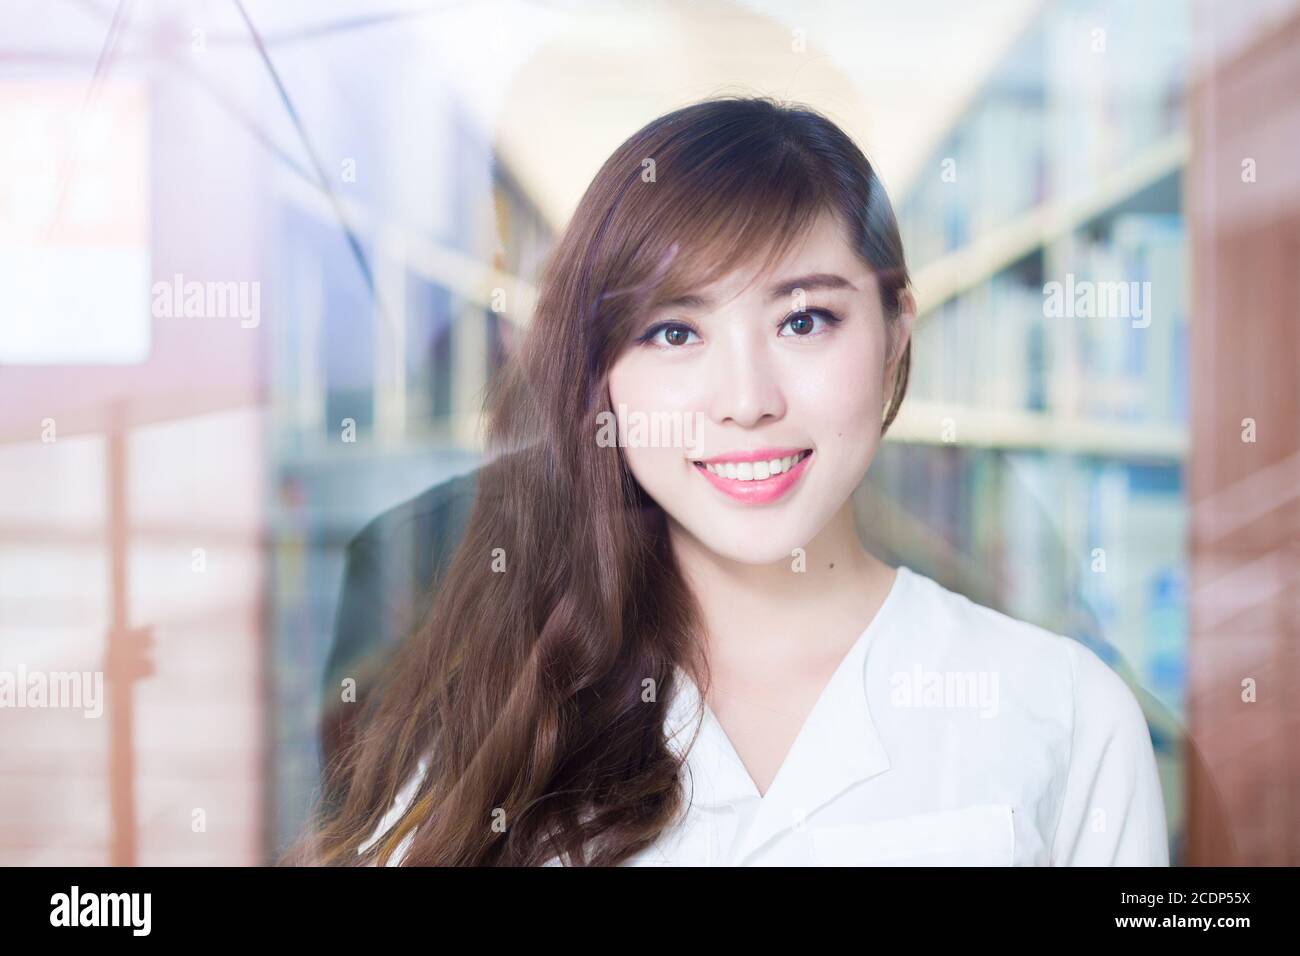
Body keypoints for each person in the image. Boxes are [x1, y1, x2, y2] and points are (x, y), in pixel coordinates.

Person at [293, 95, 1172, 866]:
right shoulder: (478, 712)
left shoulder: (1064, 714)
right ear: (600, 376)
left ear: (897, 332)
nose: (748, 402)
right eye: (674, 334)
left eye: (805, 319)